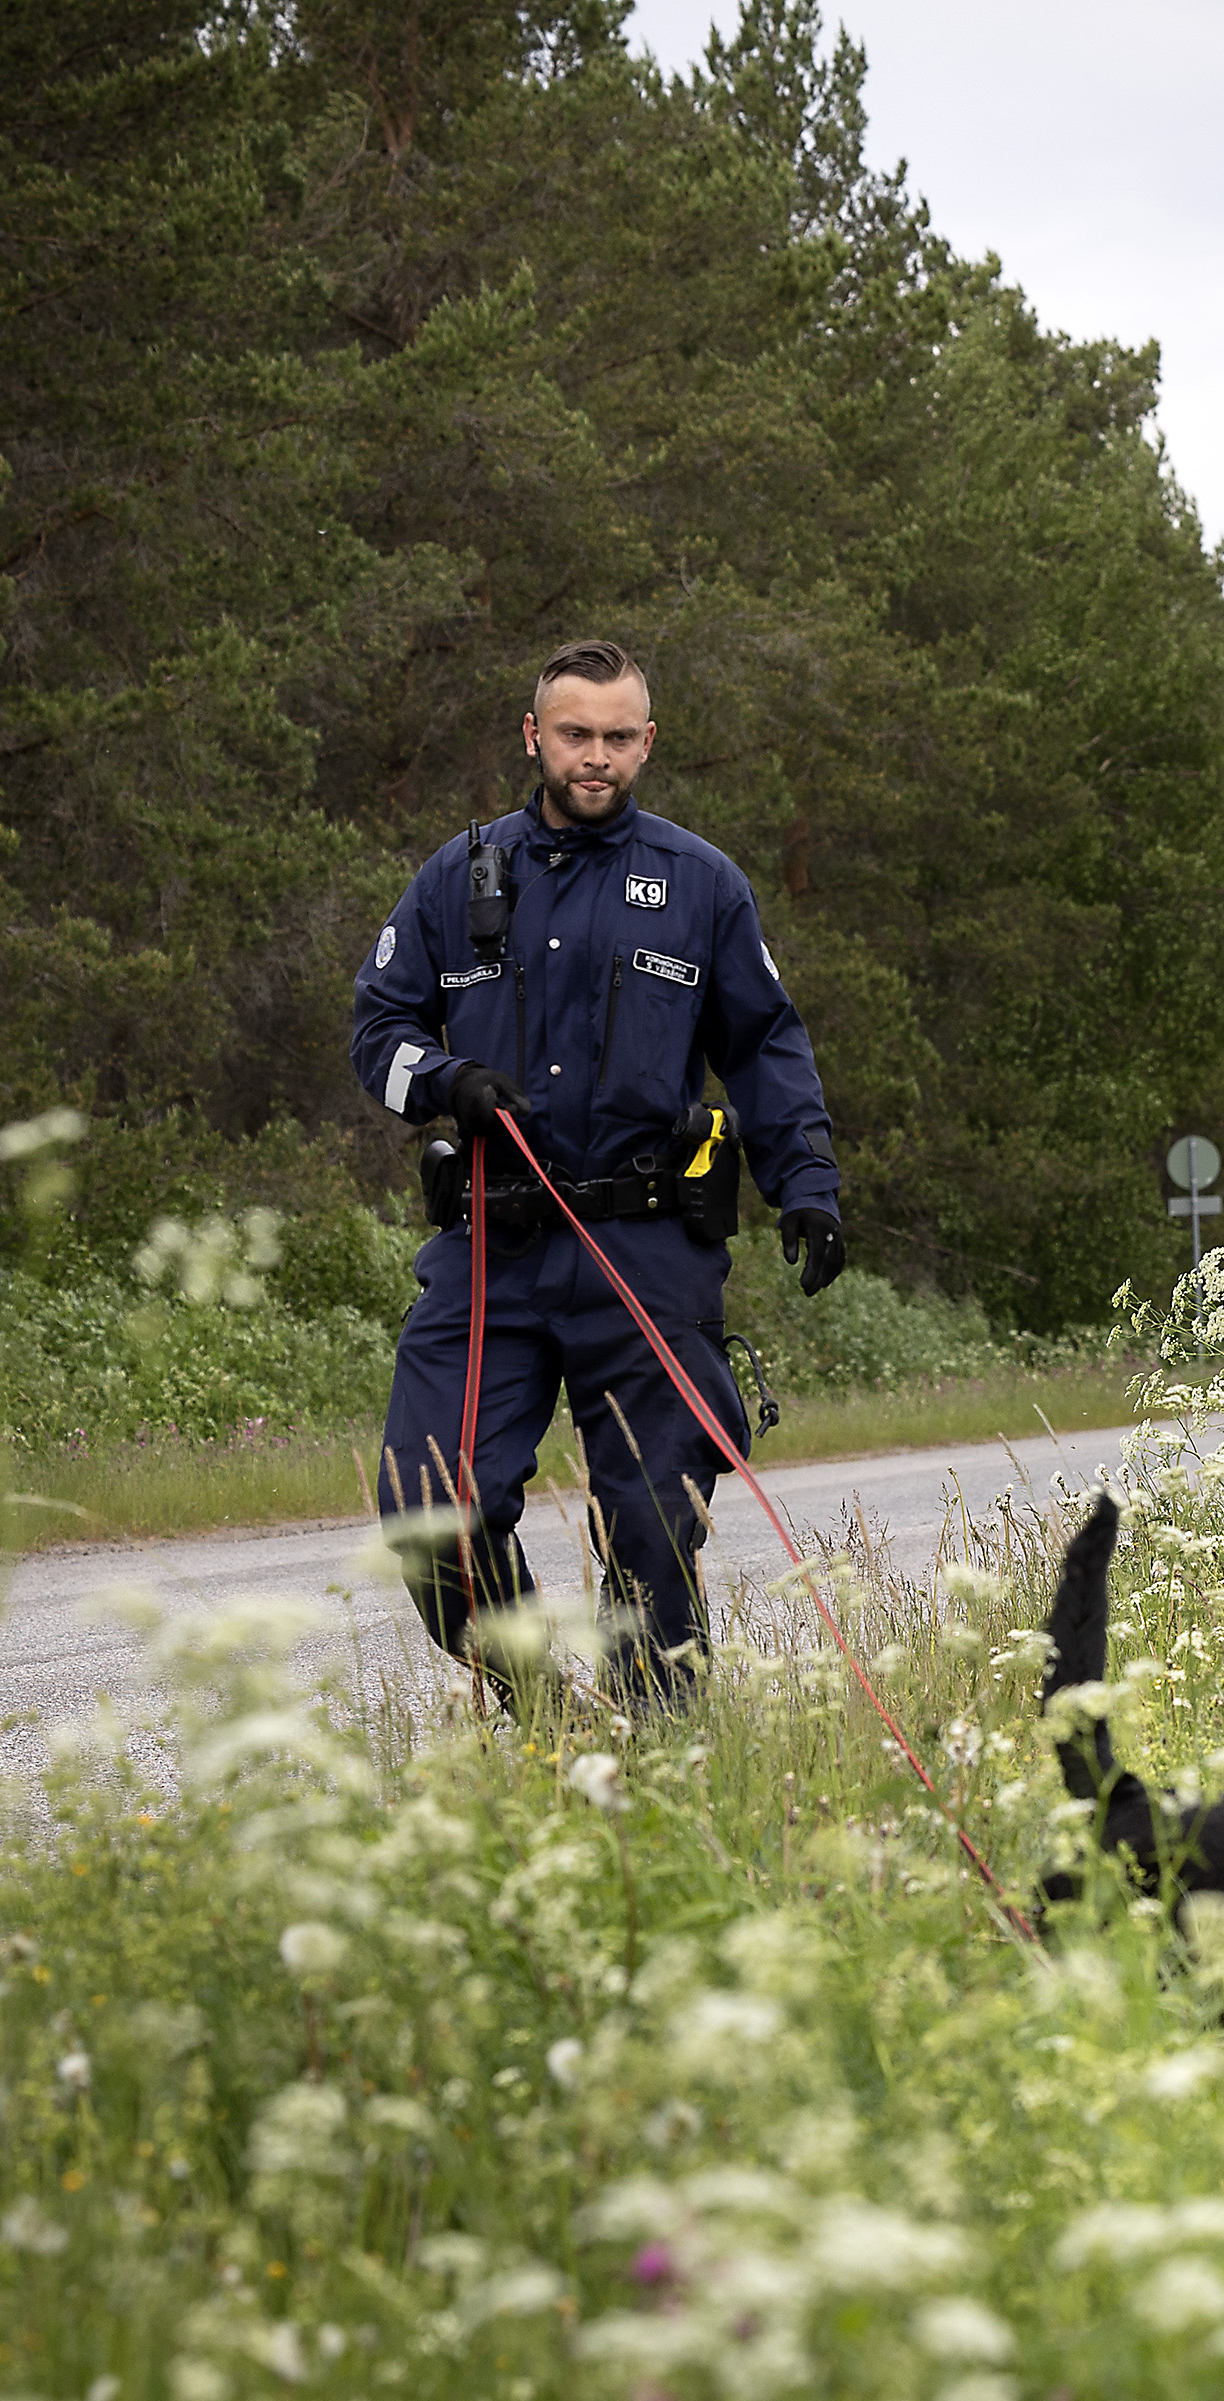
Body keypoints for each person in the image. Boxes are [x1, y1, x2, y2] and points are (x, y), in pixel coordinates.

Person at [350, 639, 846, 1704]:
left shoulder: (704, 884)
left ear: (648, 742)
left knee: (655, 1532)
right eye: (575, 733)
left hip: (648, 1253)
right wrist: (446, 1079)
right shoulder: (458, 876)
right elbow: (375, 1032)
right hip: (499, 1247)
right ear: (535, 736)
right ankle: (543, 1714)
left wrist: (806, 1183)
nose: (596, 756)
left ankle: (665, 1766)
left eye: (620, 736)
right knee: (426, 1504)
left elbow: (766, 1046)